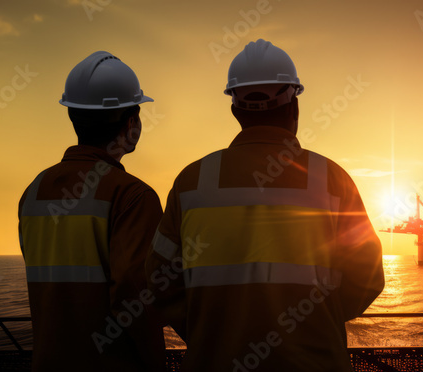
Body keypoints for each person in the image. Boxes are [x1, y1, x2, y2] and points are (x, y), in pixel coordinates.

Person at [147, 39, 384, 371]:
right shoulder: (331, 178)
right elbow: (368, 277)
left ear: (235, 109)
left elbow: (159, 279)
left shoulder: (192, 181)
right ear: (294, 107)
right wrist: (318, 320)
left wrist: (208, 330)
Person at [18, 51, 165, 372]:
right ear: (131, 123)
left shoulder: (34, 190)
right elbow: (134, 296)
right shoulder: (133, 195)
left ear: (73, 116)